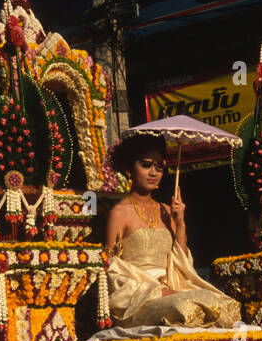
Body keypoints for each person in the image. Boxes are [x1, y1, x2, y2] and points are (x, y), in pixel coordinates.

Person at [103, 134, 241, 329]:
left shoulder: (168, 211)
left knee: (225, 304)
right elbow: (110, 271)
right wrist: (154, 290)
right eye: (146, 165)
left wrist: (180, 222)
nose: (153, 172)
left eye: (159, 166)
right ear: (129, 168)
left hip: (174, 288)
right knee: (186, 308)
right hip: (137, 300)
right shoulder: (119, 213)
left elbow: (183, 263)